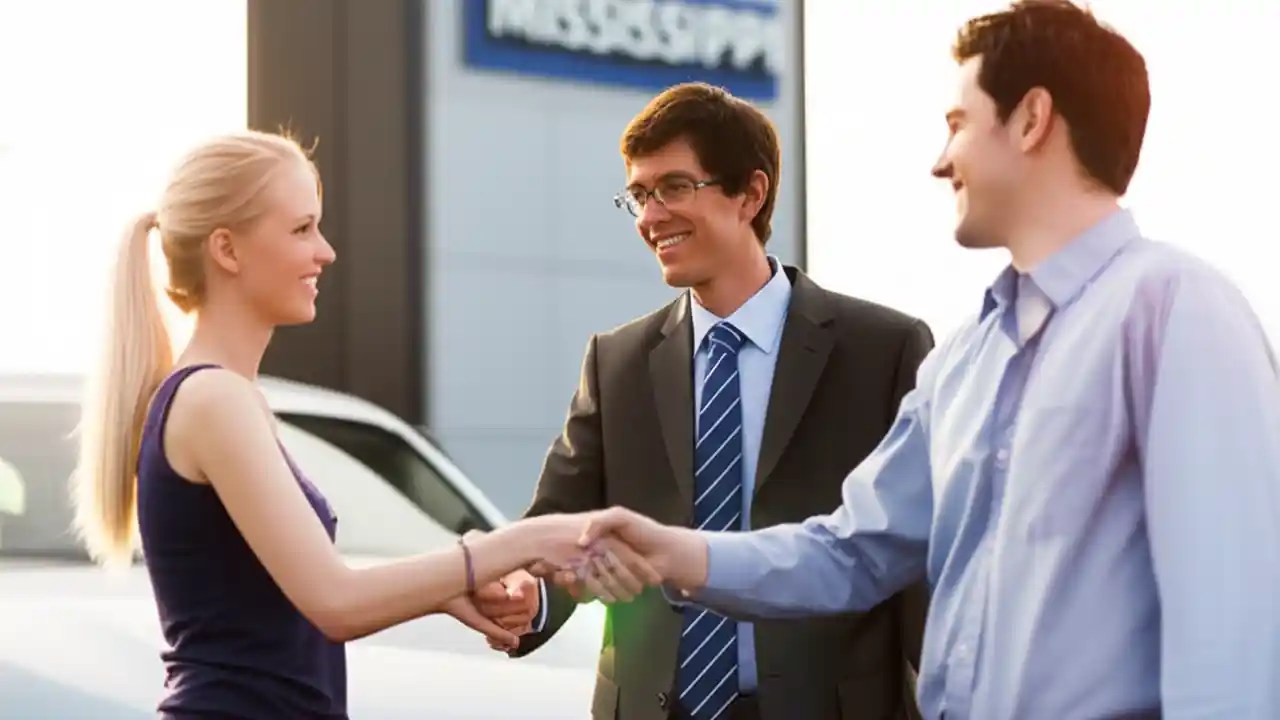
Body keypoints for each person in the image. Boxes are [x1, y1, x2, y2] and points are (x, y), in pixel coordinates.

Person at [568, 1, 1280, 718]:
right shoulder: (965, 359)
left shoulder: (1176, 311)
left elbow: (1232, 634)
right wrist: (673, 552)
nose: (941, 162)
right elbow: (847, 551)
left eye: (958, 124)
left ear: (1032, 119)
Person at [69, 129, 650, 719]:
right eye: (301, 229)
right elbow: (334, 602)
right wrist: (518, 543)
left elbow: (289, 599)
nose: (326, 251)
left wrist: (444, 590)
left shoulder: (223, 397)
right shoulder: (214, 399)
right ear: (227, 250)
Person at [474, 83, 935, 720]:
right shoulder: (618, 362)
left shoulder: (882, 350)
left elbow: (917, 564)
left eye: (674, 187)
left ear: (751, 192)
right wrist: (530, 594)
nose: (650, 215)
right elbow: (560, 527)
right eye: (638, 194)